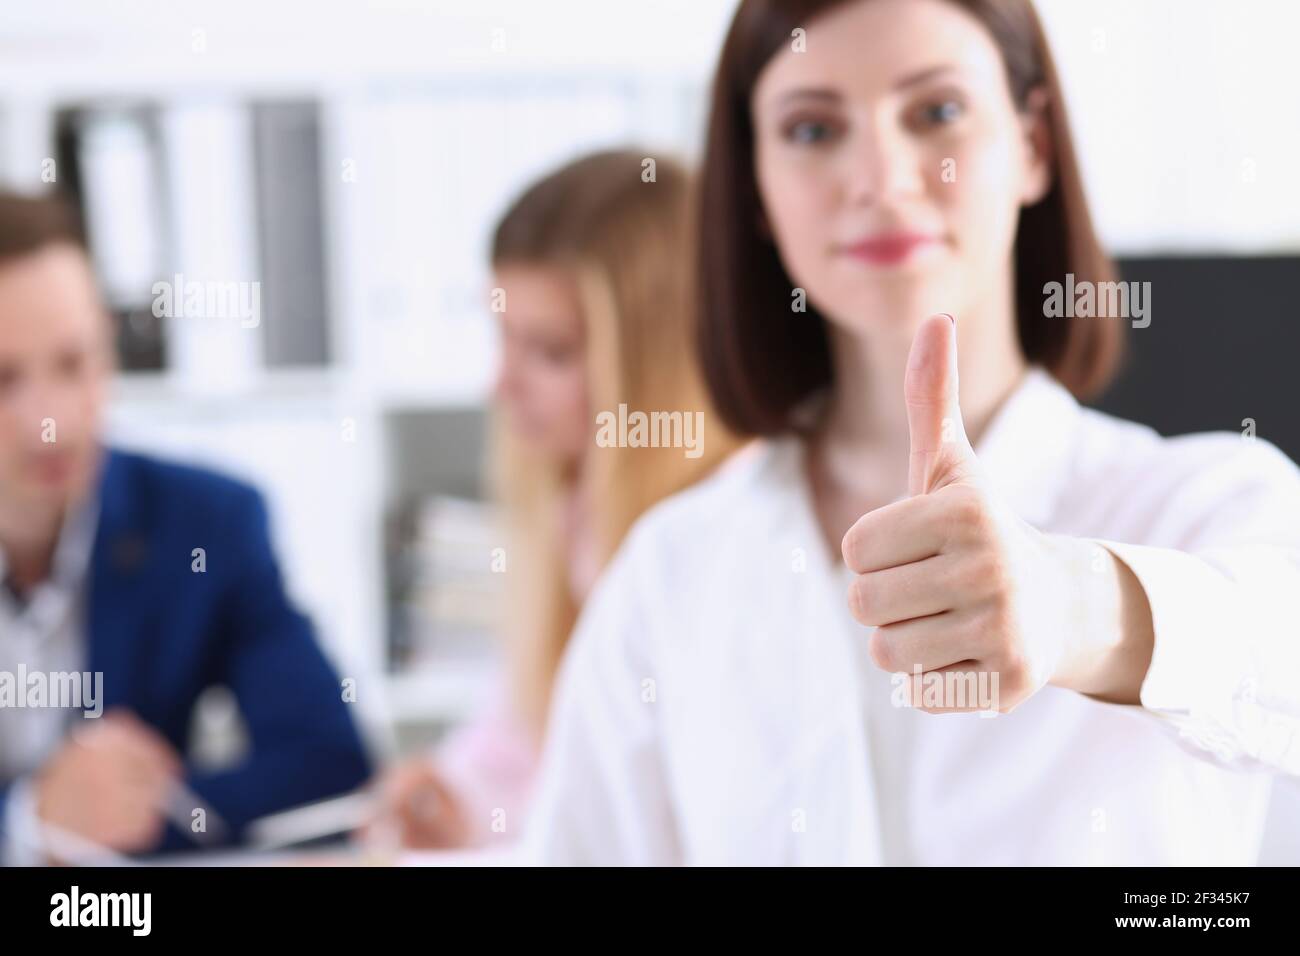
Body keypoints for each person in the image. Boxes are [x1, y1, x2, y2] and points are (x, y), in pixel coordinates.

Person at [522, 0, 1300, 865]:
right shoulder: (669, 573)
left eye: (936, 112)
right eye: (813, 129)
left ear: (1032, 145)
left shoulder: (1216, 501)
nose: (881, 178)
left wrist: (1076, 603)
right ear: (755, 190)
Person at [363, 151, 739, 848]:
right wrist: (456, 803)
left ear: (656, 363)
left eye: (552, 351)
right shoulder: (577, 513)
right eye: (503, 338)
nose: (500, 387)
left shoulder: (730, 539)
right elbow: (518, 744)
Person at [0, 192, 371, 863]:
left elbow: (329, 764)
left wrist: (117, 815)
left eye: (73, 363)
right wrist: (30, 820)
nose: (46, 419)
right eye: (3, 379)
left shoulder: (207, 523)